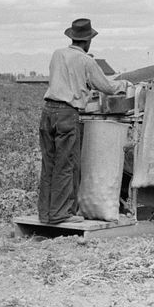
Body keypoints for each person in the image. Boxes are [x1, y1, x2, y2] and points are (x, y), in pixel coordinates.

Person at [38, 18, 132, 224]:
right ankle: (60, 214)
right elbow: (106, 86)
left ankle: (45, 213)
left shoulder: (57, 54)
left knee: (49, 164)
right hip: (66, 114)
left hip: (48, 112)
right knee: (66, 164)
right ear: (88, 41)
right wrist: (124, 84)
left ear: (72, 36)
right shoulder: (86, 61)